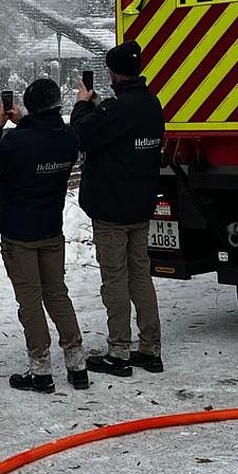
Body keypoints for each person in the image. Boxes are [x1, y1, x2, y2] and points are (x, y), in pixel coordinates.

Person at [70, 40, 165, 377]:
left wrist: (83, 105)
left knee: (115, 280)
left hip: (112, 210)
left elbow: (81, 134)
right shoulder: (151, 104)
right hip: (140, 207)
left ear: (112, 72)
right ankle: (150, 348)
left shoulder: (117, 110)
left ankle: (119, 352)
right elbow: (117, 126)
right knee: (141, 276)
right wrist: (99, 105)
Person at [0, 77, 88, 393]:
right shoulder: (67, 138)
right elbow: (41, 137)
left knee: (30, 300)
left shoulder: (19, 142)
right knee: (57, 293)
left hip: (20, 234)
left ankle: (41, 369)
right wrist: (26, 123)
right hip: (50, 230)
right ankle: (76, 362)